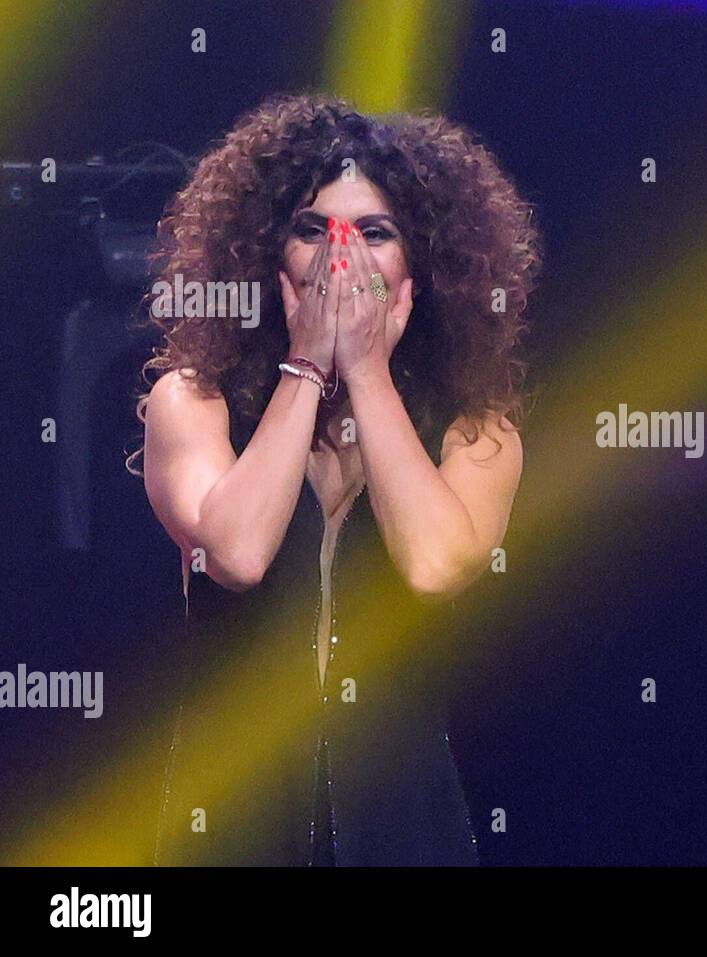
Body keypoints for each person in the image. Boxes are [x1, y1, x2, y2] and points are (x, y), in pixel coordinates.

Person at [128, 92, 541, 865]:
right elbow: (240, 554)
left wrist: (368, 374)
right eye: (311, 231)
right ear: (266, 255)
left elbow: (433, 564)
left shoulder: (477, 430)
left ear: (420, 267)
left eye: (373, 234)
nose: (338, 260)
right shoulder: (192, 401)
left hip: (403, 817)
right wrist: (310, 364)